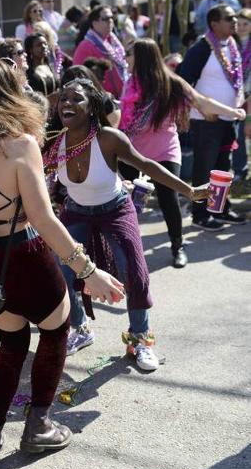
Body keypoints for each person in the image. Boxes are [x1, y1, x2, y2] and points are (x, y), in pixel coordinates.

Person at [0, 59, 125, 469]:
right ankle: (37, 425)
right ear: (7, 95)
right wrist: (89, 272)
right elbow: (44, 219)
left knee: (12, 343)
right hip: (26, 255)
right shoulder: (20, 145)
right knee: (56, 330)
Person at [44, 78, 210, 367]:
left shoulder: (109, 138)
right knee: (62, 271)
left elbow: (147, 165)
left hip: (115, 210)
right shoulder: (54, 142)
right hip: (76, 212)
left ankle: (139, 339)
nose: (67, 103)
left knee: (134, 270)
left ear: (92, 106)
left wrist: (190, 190)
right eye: (63, 99)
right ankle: (80, 329)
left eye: (76, 99)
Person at [119, 38, 245, 267]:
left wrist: (233, 112)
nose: (125, 57)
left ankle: (178, 247)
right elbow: (122, 117)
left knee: (168, 200)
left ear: (142, 57)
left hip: (164, 151)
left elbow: (201, 103)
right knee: (125, 203)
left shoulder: (171, 84)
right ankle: (127, 249)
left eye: (129, 54)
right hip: (132, 152)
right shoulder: (130, 82)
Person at [179, 5, 247, 229]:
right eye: (229, 18)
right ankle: (199, 215)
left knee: (222, 169)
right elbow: (182, 83)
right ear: (214, 24)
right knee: (204, 168)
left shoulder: (232, 45)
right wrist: (202, 108)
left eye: (235, 17)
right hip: (206, 121)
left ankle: (219, 209)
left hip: (229, 120)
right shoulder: (201, 48)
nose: (234, 21)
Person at [74, 5, 128, 98]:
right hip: (101, 100)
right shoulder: (85, 46)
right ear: (94, 23)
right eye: (106, 18)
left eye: (112, 17)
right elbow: (77, 76)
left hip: (121, 97)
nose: (110, 21)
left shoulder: (114, 41)